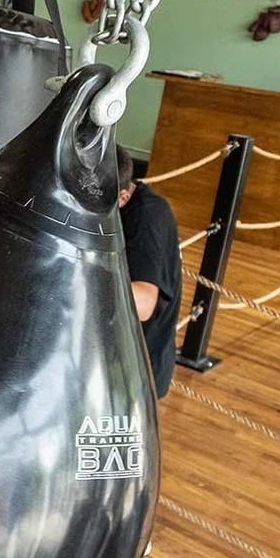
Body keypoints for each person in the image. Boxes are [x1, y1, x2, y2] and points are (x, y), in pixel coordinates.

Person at [118, 145, 182, 399]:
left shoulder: (147, 217)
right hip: (112, 359)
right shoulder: (116, 207)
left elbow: (143, 303)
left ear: (123, 197)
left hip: (138, 371)